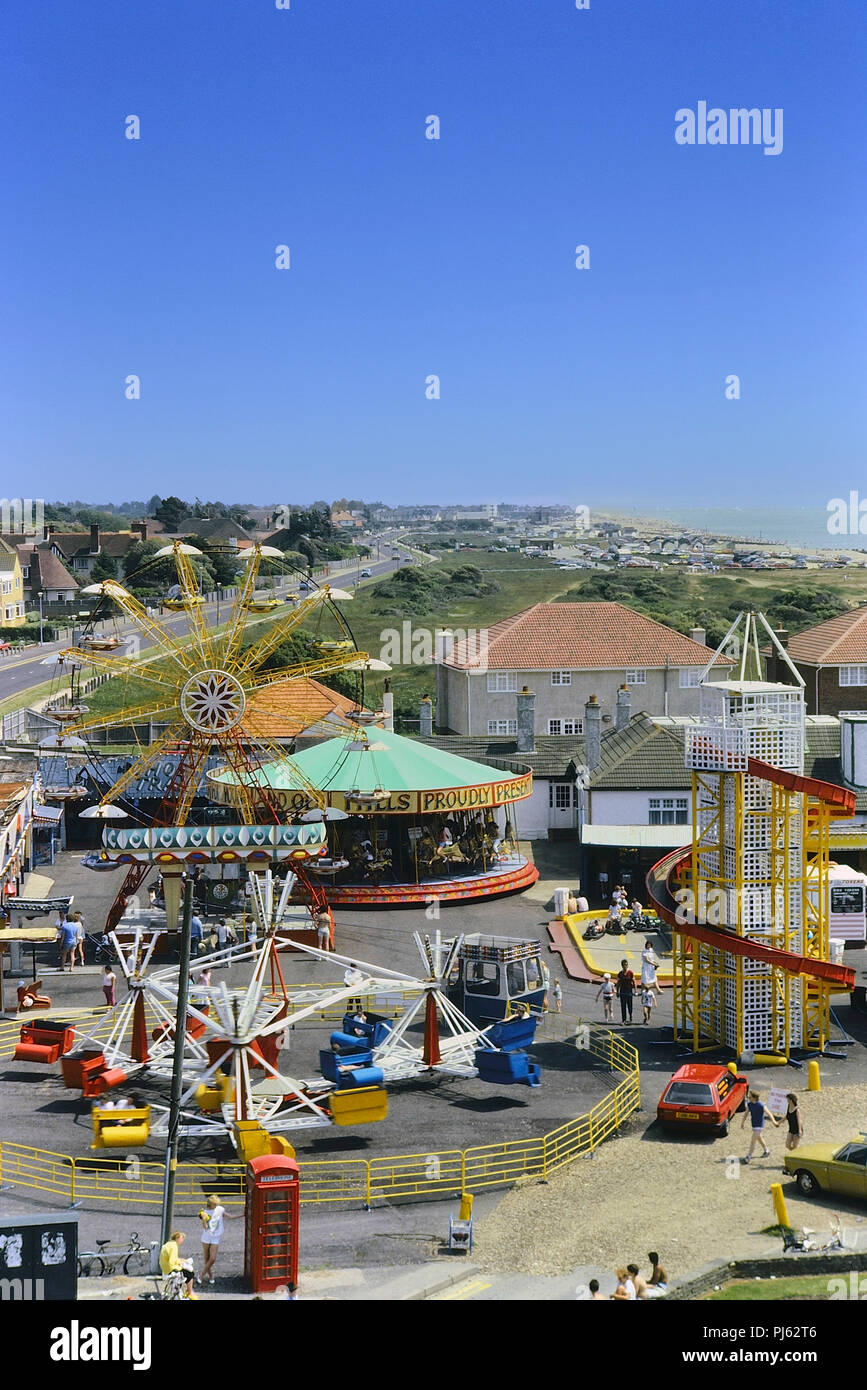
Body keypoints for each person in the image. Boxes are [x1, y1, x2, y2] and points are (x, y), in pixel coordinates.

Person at [199, 1193, 234, 1284]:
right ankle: (211, 1275)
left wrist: (243, 1215)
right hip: (206, 1236)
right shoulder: (205, 1212)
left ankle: (201, 1275)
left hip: (216, 1237)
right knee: (206, 1258)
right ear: (211, 1204)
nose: (217, 1205)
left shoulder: (220, 1209)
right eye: (215, 1204)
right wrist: (203, 1219)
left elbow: (230, 1216)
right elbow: (205, 1227)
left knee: (213, 1258)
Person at [741, 1088, 780, 1161]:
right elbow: (746, 1113)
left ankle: (748, 1156)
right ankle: (766, 1150)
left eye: (750, 1097)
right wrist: (742, 1122)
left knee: (753, 1140)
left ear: (754, 1098)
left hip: (759, 1125)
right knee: (759, 1139)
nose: (748, 1098)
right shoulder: (750, 1104)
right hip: (754, 1125)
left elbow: (769, 1114)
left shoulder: (761, 1105)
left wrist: (774, 1122)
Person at [159, 1230, 196, 1298]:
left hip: (165, 1268)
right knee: (190, 1273)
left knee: (187, 1272)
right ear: (178, 1238)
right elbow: (172, 1261)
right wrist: (181, 1266)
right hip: (170, 1269)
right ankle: (190, 1292)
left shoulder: (170, 1244)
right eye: (182, 1238)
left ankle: (187, 1291)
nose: (182, 1241)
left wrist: (181, 1260)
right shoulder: (174, 1246)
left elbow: (173, 1258)